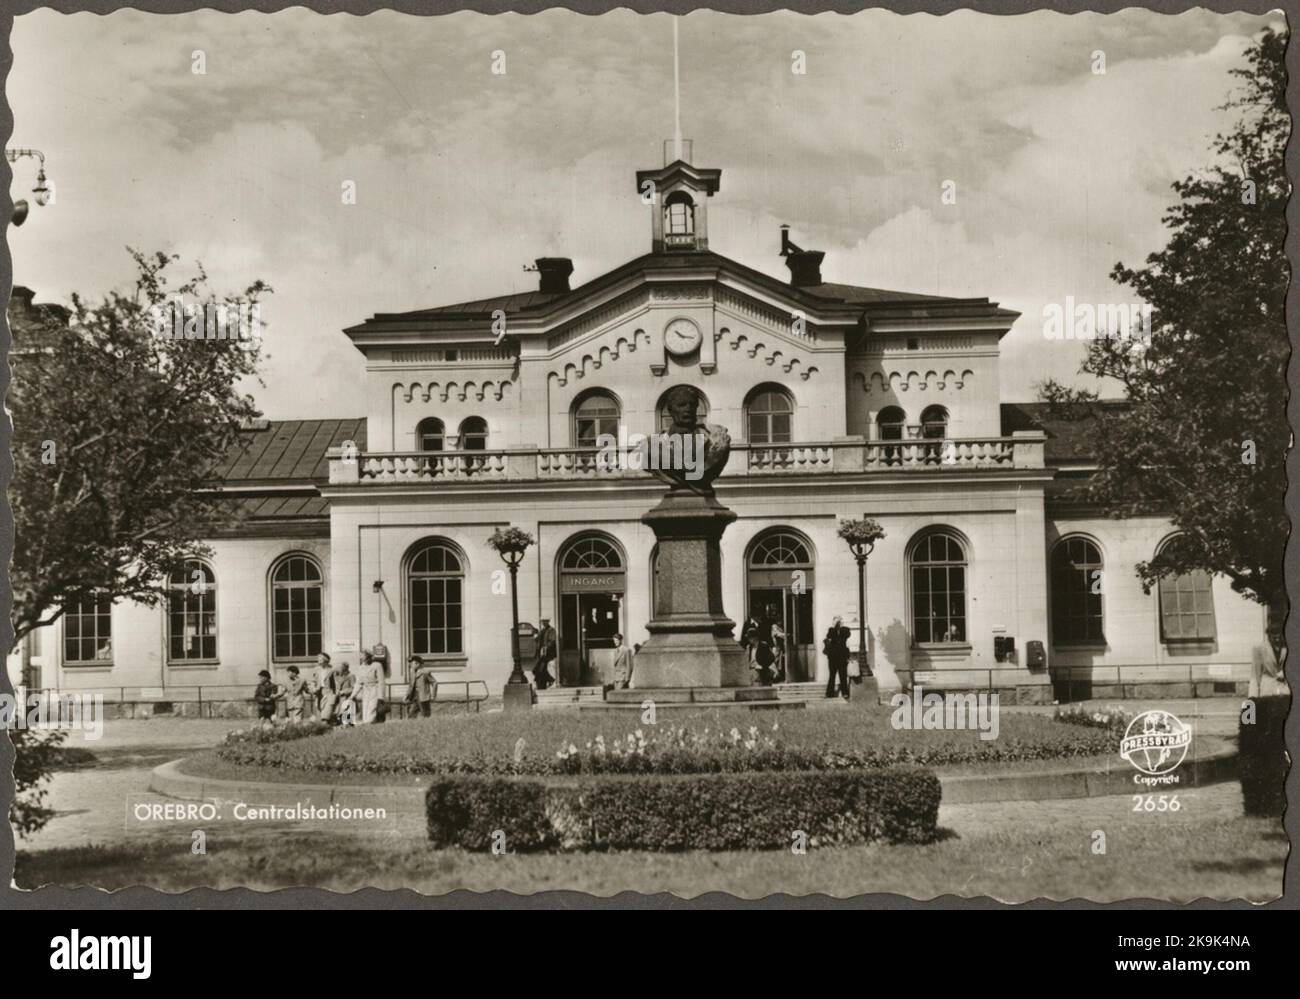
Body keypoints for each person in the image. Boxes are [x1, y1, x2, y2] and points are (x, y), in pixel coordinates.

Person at [823, 615, 853, 701]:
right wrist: (834, 626)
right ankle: (829, 693)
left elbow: (847, 635)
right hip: (832, 657)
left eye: (839, 622)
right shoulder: (831, 630)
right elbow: (829, 636)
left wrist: (841, 625)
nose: (838, 624)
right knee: (832, 675)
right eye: (836, 622)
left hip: (842, 657)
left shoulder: (845, 630)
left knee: (843, 675)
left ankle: (845, 693)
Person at [353, 650, 384, 724]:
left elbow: (381, 681)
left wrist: (381, 696)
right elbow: (358, 683)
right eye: (360, 656)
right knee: (365, 707)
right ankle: (367, 723)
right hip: (366, 690)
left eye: (363, 656)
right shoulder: (361, 667)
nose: (361, 658)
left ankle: (369, 723)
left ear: (369, 656)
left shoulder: (377, 665)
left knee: (372, 707)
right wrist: (353, 695)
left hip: (375, 689)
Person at [313, 653, 337, 722]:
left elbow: (336, 683)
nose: (318, 659)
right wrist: (313, 689)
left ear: (325, 660)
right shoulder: (316, 670)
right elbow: (313, 681)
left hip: (329, 692)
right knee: (320, 712)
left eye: (320, 658)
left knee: (326, 713)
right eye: (318, 658)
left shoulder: (332, 670)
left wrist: (335, 695)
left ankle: (325, 724)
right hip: (319, 693)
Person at [534, 618, 557, 690]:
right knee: (537, 670)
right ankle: (544, 683)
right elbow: (537, 639)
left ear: (548, 622)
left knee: (541, 669)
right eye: (543, 621)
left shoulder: (551, 630)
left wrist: (546, 647)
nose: (544, 623)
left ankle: (550, 680)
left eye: (545, 621)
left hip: (547, 654)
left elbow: (552, 641)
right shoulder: (541, 631)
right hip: (540, 653)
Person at [333, 661, 356, 726]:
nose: (338, 669)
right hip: (339, 698)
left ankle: (348, 726)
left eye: (340, 668)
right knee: (339, 713)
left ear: (345, 668)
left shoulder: (351, 676)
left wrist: (343, 692)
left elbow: (353, 688)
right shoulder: (338, 677)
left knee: (346, 715)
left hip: (347, 697)